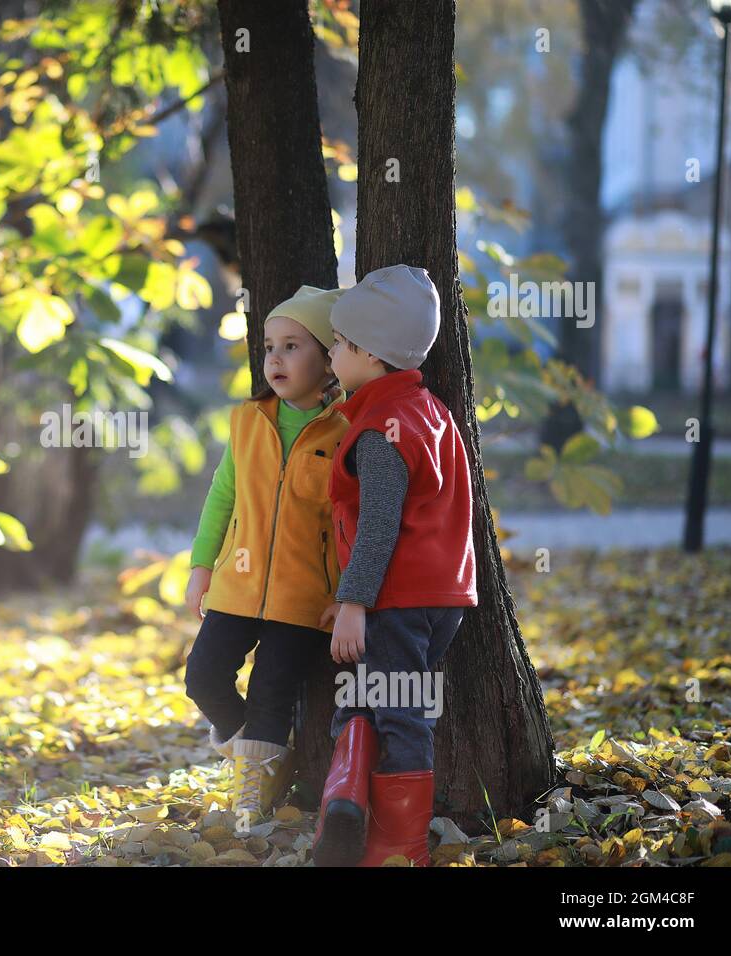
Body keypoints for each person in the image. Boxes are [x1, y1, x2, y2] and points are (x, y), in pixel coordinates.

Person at [311, 264, 477, 866]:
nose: (329, 352)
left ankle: (399, 850)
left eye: (337, 343)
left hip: (397, 602)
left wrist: (354, 603)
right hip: (440, 597)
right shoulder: (428, 411)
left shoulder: (383, 430)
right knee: (366, 696)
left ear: (370, 355)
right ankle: (345, 812)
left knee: (401, 713)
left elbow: (381, 524)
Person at [183, 284, 349, 820]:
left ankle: (253, 797)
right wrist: (201, 567)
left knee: (272, 693)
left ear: (329, 361)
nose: (275, 357)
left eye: (293, 346)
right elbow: (221, 498)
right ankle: (255, 758)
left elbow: (353, 523)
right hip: (237, 583)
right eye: (270, 346)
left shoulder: (347, 430)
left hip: (303, 598)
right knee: (203, 676)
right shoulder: (247, 421)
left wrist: (348, 596)